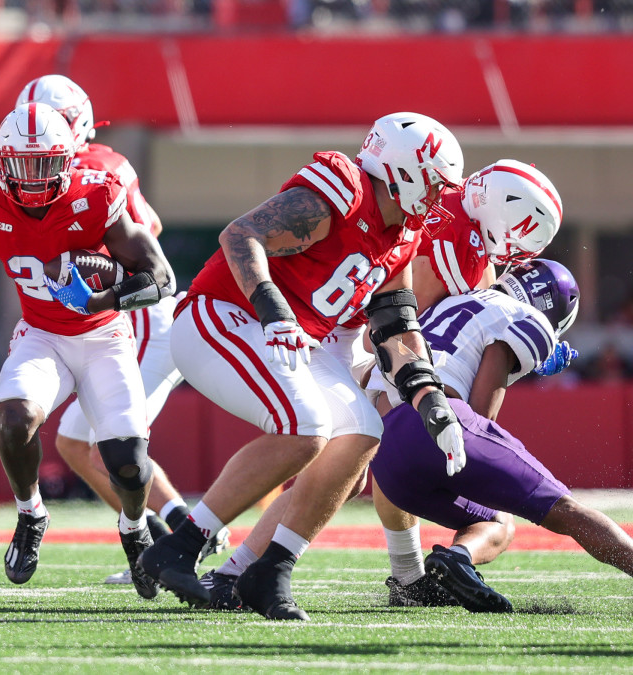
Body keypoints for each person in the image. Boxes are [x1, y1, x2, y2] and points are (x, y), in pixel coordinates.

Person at [138, 112, 467, 620]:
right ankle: (181, 544)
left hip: (292, 340)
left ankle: (270, 570)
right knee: (305, 426)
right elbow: (241, 236)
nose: (438, 198)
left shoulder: (403, 234)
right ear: (400, 170)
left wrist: (434, 403)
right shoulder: (346, 187)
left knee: (360, 430)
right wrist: (273, 311)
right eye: (433, 184)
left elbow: (397, 326)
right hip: (226, 315)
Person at [199, 159, 569, 610]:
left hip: (356, 334)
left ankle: (403, 576)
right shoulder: (455, 236)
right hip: (351, 336)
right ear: (509, 212)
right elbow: (405, 326)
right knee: (341, 461)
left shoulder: (457, 224)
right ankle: (233, 570)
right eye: (521, 233)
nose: (514, 252)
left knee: (351, 464)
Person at [0, 102, 175, 599]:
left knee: (128, 462)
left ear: (69, 159)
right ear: (1, 162)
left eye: (44, 163)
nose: (31, 177)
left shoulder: (96, 194)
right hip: (41, 333)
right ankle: (31, 515)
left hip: (104, 335)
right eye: (21, 164)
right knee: (14, 419)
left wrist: (102, 297)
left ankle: (134, 529)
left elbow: (162, 277)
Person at [18, 74, 228, 581]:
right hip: (120, 318)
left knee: (105, 446)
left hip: (137, 314)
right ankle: (176, 528)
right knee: (73, 445)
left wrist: (89, 267)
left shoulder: (94, 167)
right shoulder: (72, 166)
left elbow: (144, 244)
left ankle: (177, 544)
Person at [370, 259, 633, 611]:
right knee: (566, 510)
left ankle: (458, 559)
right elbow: (480, 414)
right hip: (439, 421)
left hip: (386, 455)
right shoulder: (527, 318)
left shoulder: (451, 300)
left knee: (497, 520)